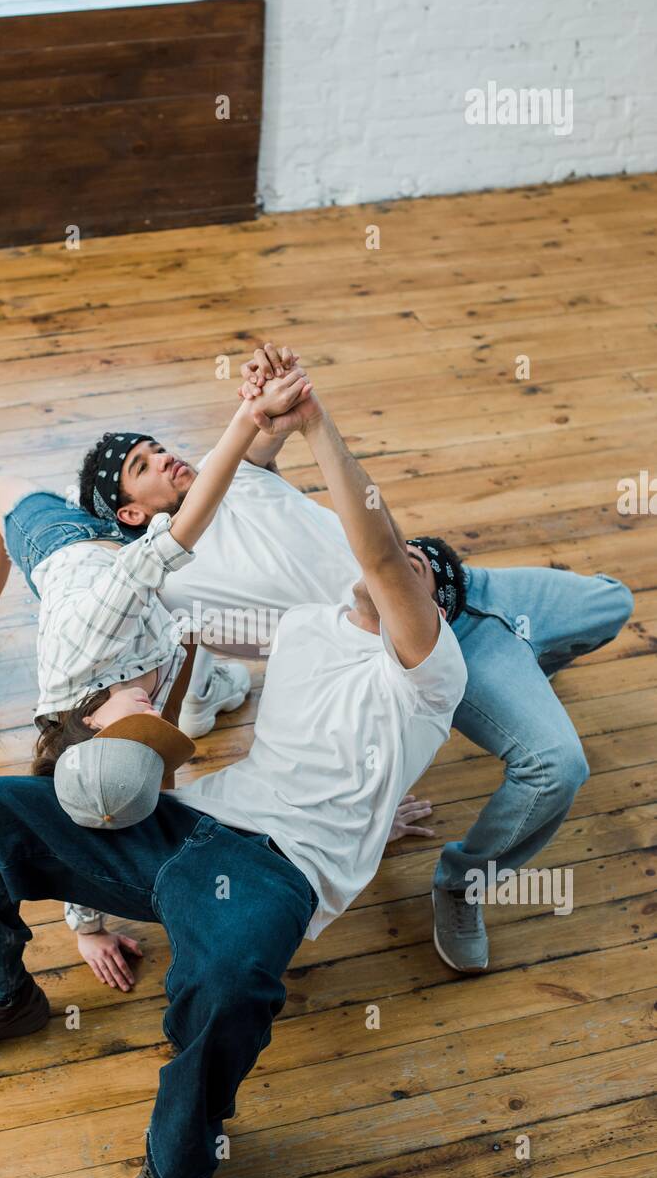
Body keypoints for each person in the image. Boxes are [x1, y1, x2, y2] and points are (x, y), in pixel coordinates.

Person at [0, 372, 467, 1178]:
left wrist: (317, 423)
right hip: (193, 823)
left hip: (277, 871)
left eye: (417, 571)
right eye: (402, 558)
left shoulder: (430, 671)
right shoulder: (311, 625)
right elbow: (202, 597)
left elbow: (383, 558)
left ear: (437, 612)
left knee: (226, 984)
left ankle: (177, 1163)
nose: (394, 564)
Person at [74, 343, 634, 975]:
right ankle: (463, 884)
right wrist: (85, 921)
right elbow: (111, 741)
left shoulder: (231, 471)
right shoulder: (160, 578)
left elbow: (273, 420)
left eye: (156, 446)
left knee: (613, 604)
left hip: (455, 580)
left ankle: (524, 679)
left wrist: (272, 382)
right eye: (142, 465)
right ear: (131, 512)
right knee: (558, 766)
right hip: (417, 647)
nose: (162, 457)